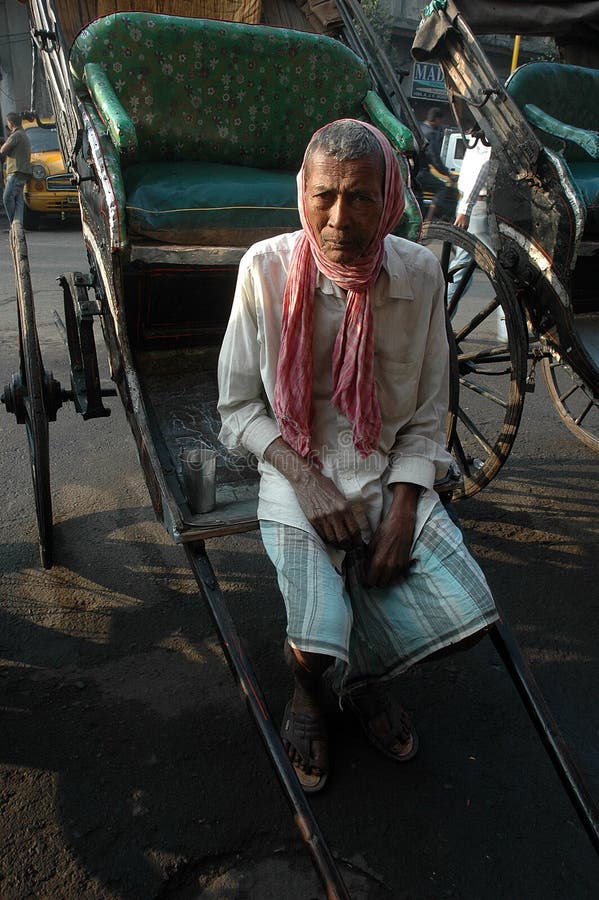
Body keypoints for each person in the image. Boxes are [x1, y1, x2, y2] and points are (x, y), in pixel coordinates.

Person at [217, 119, 497, 792]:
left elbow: (428, 414)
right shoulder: (265, 268)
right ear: (302, 194)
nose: (340, 217)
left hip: (384, 468)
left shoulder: (421, 273)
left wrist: (403, 509)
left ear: (390, 198)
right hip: (295, 464)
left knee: (468, 622)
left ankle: (362, 676)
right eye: (324, 196)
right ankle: (312, 691)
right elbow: (238, 412)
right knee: (315, 642)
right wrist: (306, 482)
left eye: (361, 196)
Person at [447, 127, 492, 303]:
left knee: (462, 267)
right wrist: (465, 210)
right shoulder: (488, 142)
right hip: (478, 205)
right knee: (504, 272)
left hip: (470, 203)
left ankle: (440, 315)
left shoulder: (474, 140)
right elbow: (482, 171)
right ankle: (440, 313)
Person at [416, 106, 457, 221]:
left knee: (420, 196)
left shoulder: (420, 128)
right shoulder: (430, 133)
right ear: (437, 119)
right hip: (422, 172)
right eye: (441, 120)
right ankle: (429, 219)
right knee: (442, 187)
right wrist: (448, 174)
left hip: (414, 171)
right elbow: (434, 159)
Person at [1, 112, 32, 225]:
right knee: (18, 200)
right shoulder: (22, 134)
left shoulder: (16, 135)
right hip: (23, 172)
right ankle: (18, 224)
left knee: (7, 198)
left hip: (16, 171)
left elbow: (3, 150)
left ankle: (13, 224)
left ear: (11, 123)